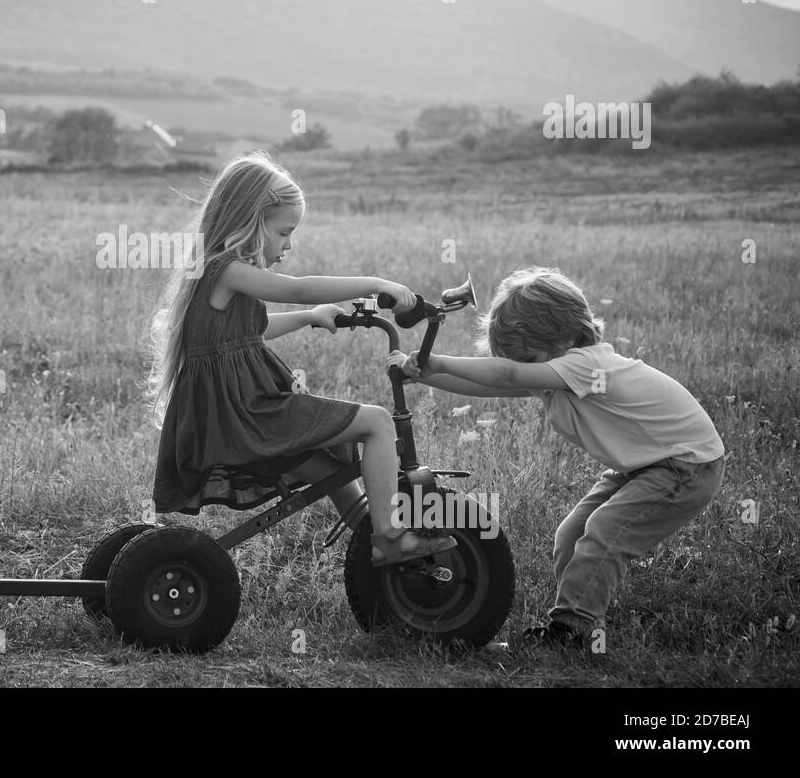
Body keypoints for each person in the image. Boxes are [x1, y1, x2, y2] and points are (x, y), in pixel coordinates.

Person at [143, 151, 456, 565]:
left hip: (245, 414)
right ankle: (389, 539)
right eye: (283, 232)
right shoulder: (226, 269)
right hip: (248, 418)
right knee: (377, 422)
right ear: (249, 221)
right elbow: (298, 288)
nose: (288, 244)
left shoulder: (216, 273)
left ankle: (373, 550)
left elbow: (247, 333)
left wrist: (309, 318)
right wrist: (380, 283)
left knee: (333, 473)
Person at [389, 267, 725, 647]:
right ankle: (580, 617)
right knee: (571, 534)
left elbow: (509, 376)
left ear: (565, 336)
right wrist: (422, 374)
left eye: (529, 358)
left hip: (686, 467)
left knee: (604, 533)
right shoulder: (553, 371)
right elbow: (485, 385)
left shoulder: (587, 365)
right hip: (646, 466)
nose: (526, 368)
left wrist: (441, 361)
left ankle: (572, 628)